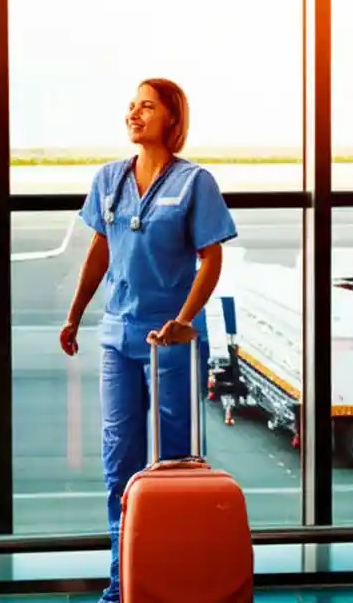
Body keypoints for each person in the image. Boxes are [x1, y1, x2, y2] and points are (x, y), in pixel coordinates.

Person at [60, 78, 238, 603]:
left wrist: (186, 319)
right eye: (131, 106)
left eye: (147, 106)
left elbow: (212, 257)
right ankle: (124, 584)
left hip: (170, 342)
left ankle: (175, 584)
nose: (134, 114)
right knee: (120, 465)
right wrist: (75, 315)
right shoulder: (109, 179)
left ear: (171, 118)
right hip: (117, 335)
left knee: (173, 467)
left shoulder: (195, 183)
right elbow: (100, 251)